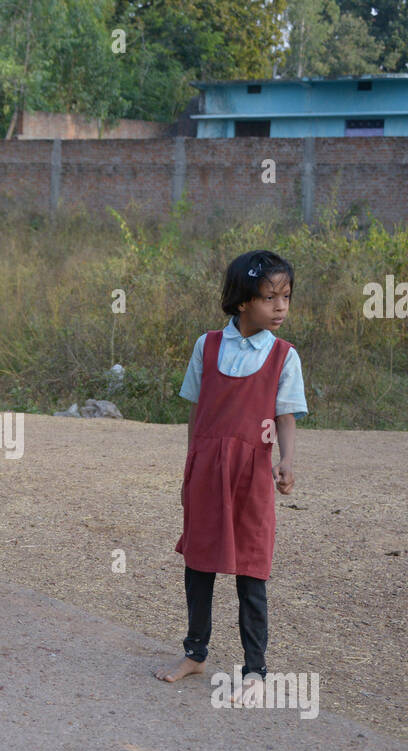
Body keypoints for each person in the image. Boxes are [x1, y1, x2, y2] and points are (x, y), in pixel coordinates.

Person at [155, 250, 308, 702]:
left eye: (287, 297)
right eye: (270, 297)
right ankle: (195, 653)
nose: (281, 307)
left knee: (250, 569)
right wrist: (191, 463)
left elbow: (285, 417)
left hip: (251, 476)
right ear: (242, 301)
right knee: (199, 563)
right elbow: (196, 410)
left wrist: (287, 461)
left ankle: (255, 669)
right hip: (206, 472)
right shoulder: (208, 346)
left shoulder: (284, 356)